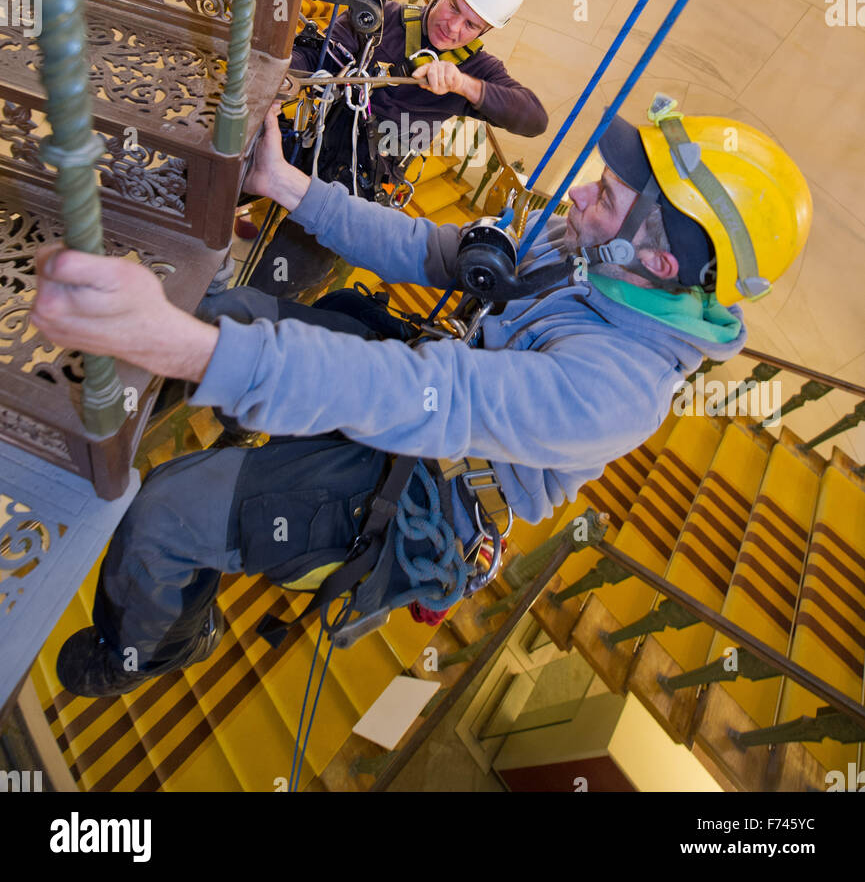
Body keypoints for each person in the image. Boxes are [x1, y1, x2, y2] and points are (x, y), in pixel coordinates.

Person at [30, 94, 812, 698]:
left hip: (442, 486)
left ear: (660, 264)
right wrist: (284, 184)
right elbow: (424, 247)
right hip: (434, 382)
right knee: (227, 314)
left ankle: (155, 644)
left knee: (166, 512)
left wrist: (179, 348)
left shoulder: (618, 390)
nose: (576, 196)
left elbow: (424, 394)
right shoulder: (581, 248)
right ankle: (192, 417)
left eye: (604, 198)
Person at [244, 0, 548, 297]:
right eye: (453, 6)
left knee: (273, 286)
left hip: (354, 187)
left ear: (487, 31)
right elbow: (317, 55)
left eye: (471, 25)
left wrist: (464, 85)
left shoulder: (479, 70)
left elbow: (534, 118)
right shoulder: (382, 19)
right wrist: (281, 75)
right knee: (210, 175)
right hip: (314, 141)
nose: (453, 27)